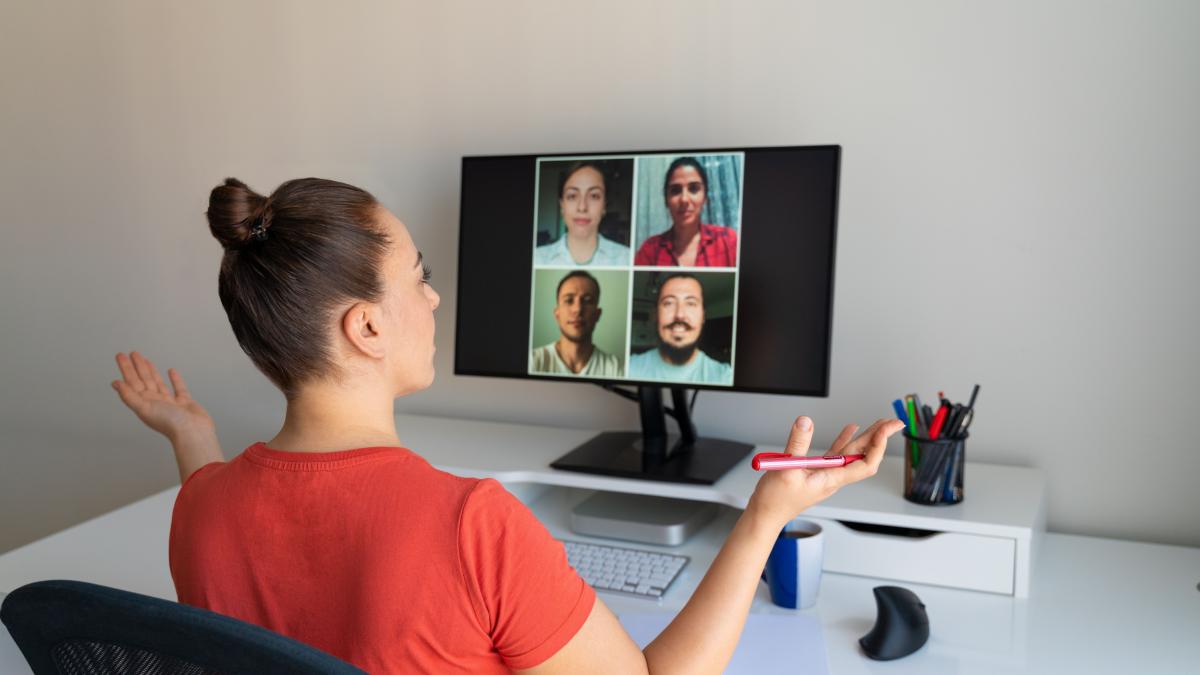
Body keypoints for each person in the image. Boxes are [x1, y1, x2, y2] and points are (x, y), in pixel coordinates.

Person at [111, 176, 904, 674]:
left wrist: (191, 437)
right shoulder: (470, 524)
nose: (435, 299)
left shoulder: (199, 511)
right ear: (367, 329)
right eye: (418, 277)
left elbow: (230, 510)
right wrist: (767, 513)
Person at [627, 273, 731, 385]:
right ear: (656, 315)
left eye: (691, 303)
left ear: (703, 317)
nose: (680, 314)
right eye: (669, 303)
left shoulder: (725, 376)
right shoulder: (629, 367)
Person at [634, 157, 738, 267]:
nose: (684, 199)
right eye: (675, 190)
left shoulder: (728, 241)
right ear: (666, 200)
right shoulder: (650, 250)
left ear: (705, 198)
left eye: (693, 189)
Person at [534, 161, 630, 266]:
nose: (582, 207)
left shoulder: (626, 258)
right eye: (572, 196)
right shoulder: (537, 258)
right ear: (562, 205)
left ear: (604, 206)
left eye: (594, 196)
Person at [530, 270, 622, 377]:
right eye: (569, 300)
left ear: (597, 314)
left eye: (587, 301)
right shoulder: (533, 361)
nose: (577, 309)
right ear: (557, 314)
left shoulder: (616, 368)